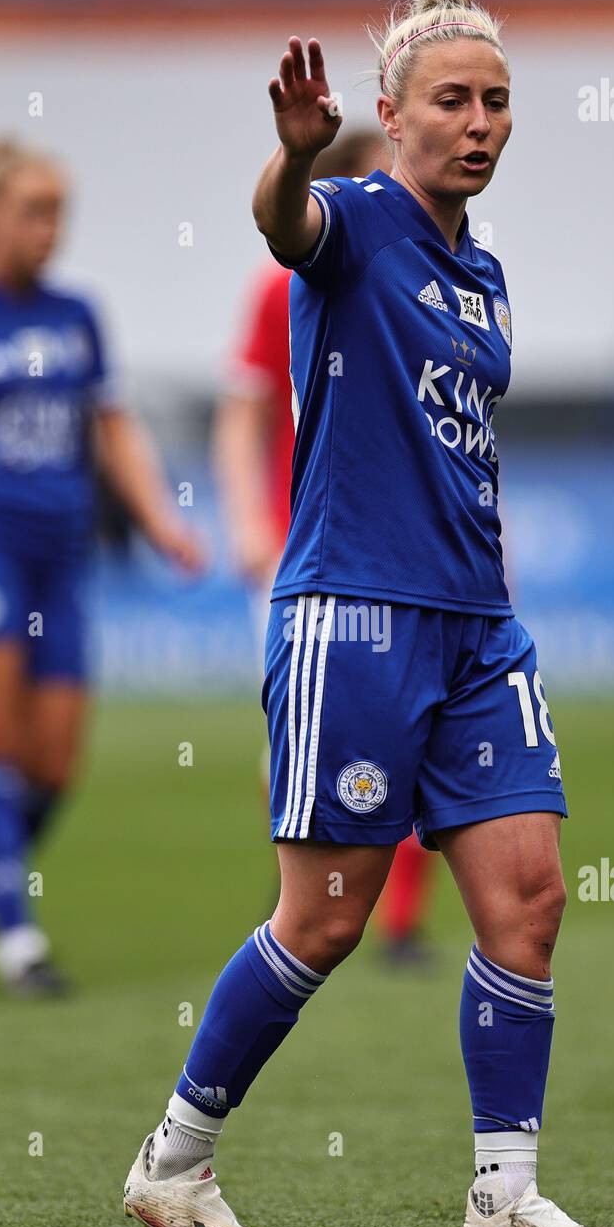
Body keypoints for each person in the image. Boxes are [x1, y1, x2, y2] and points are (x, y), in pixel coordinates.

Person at [123, 0, 614, 1227]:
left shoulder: (485, 274)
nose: (479, 122)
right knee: (327, 919)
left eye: (496, 101)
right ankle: (173, 1161)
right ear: (390, 115)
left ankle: (503, 1198)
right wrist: (294, 156)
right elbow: (281, 222)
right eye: (452, 100)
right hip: (354, 614)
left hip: (479, 626)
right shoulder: (351, 217)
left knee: (527, 898)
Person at [0, 138, 203, 996]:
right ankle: (19, 942)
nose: (50, 228)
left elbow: (112, 425)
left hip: (61, 559)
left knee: (52, 764)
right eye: (34, 209)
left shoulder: (75, 314)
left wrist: (162, 521)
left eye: (59, 211)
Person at [214, 126, 437, 962]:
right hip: (304, 550)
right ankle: (315, 896)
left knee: (419, 728)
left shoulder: (432, 288)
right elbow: (244, 413)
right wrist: (245, 522)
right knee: (319, 735)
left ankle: (399, 917)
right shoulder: (286, 287)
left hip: (410, 554)